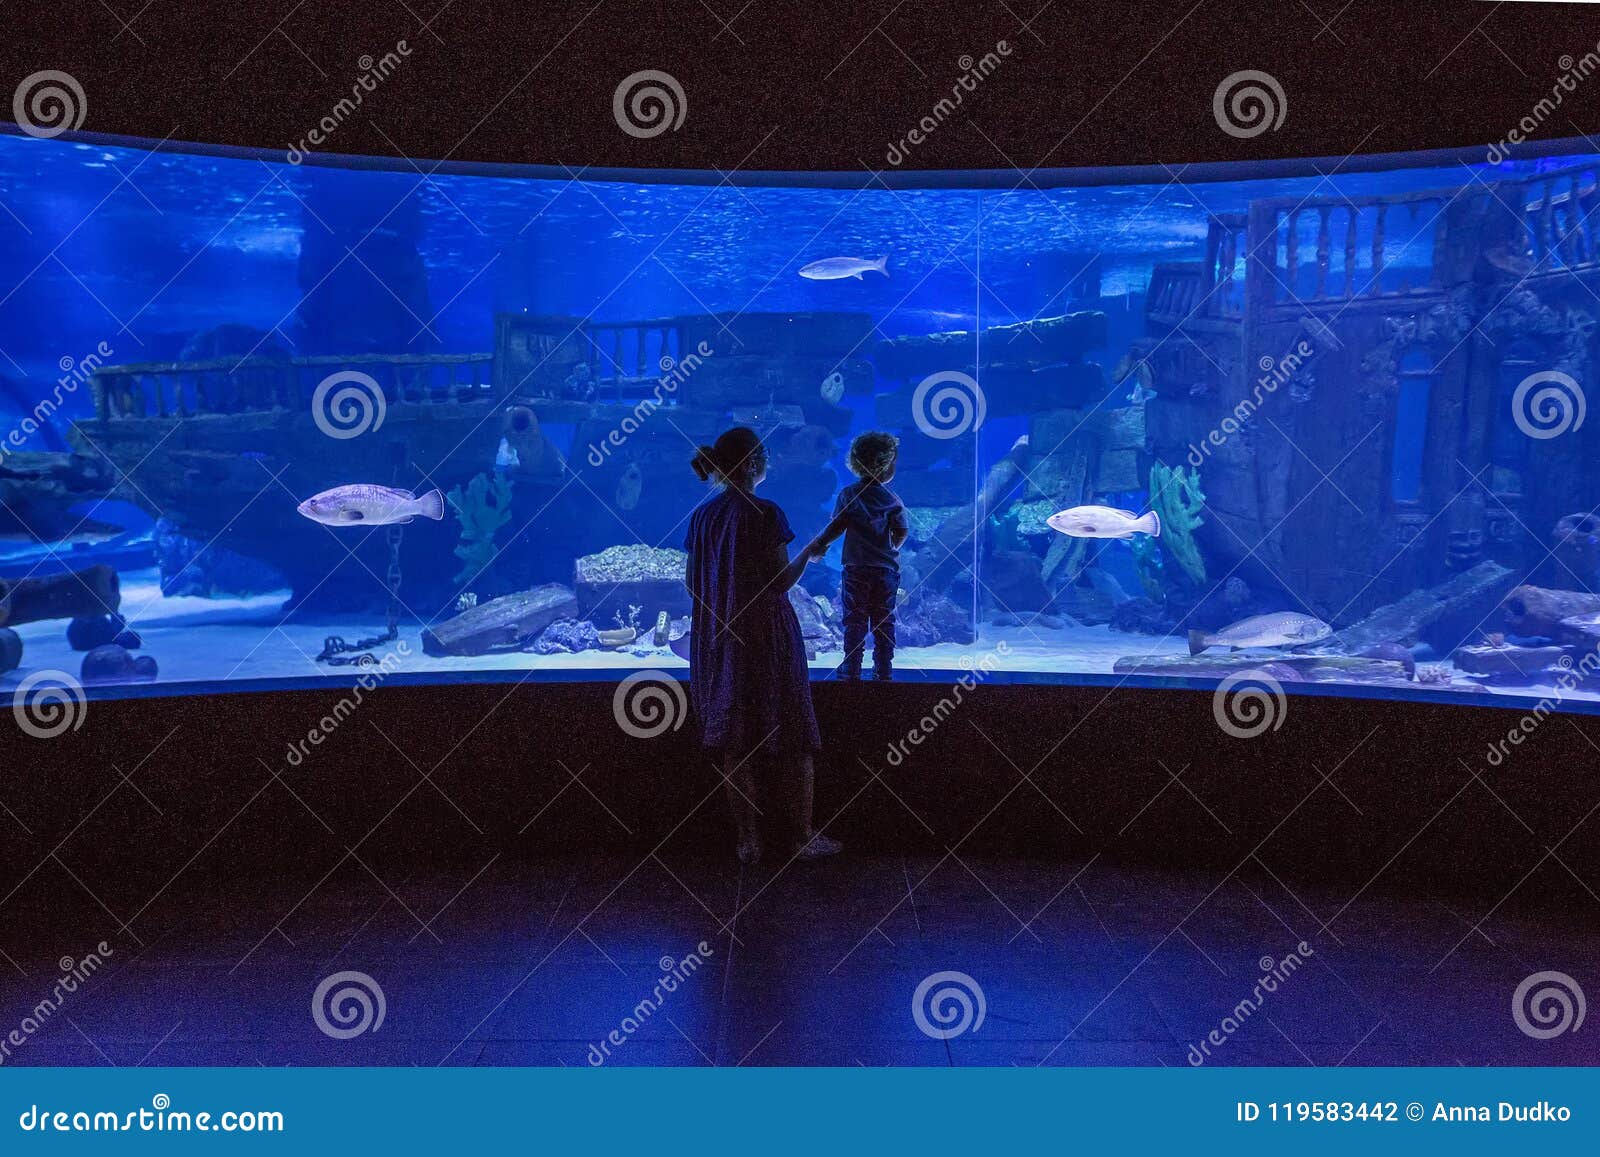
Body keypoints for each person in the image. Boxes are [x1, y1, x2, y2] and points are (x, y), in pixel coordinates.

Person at [684, 426, 844, 865]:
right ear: (755, 464)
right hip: (767, 635)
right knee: (794, 735)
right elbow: (777, 583)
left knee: (735, 740)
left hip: (719, 636)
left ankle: (748, 841)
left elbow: (692, 584)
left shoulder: (702, 517)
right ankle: (801, 837)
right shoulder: (766, 513)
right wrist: (808, 554)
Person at [809, 431, 908, 681]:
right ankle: (883, 667)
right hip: (885, 570)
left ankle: (852, 665)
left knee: (854, 617)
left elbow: (837, 526)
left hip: (856, 568)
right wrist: (891, 547)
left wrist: (821, 544)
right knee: (884, 619)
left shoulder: (848, 495)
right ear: (885, 464)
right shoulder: (893, 500)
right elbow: (902, 530)